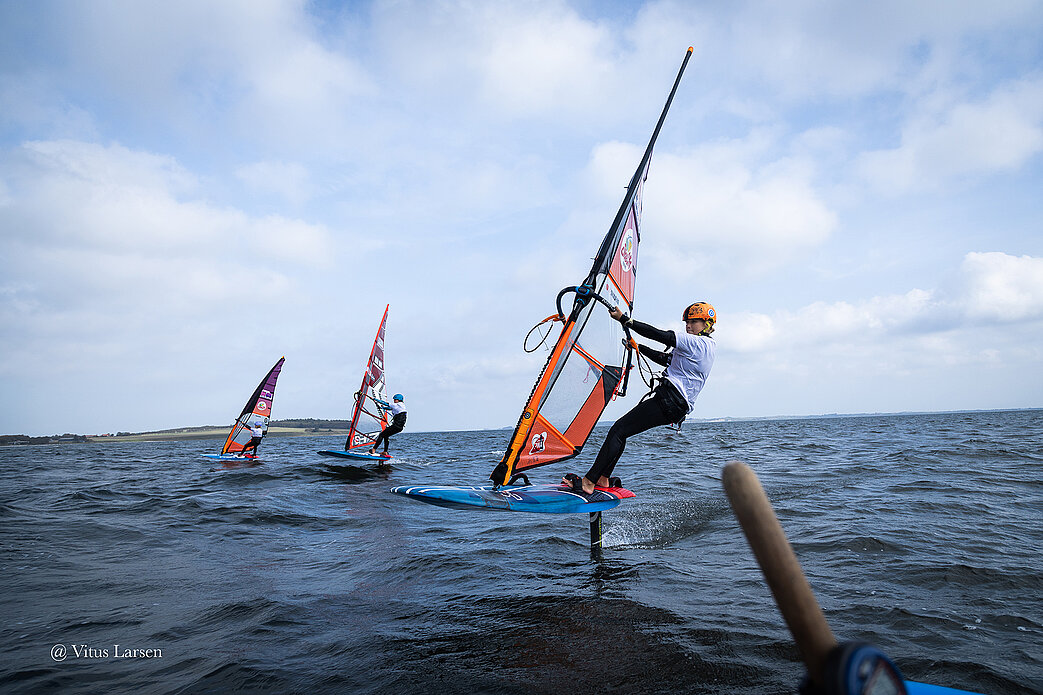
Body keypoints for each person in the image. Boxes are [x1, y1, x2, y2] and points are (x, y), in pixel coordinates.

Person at [563, 302, 717, 494]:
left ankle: (588, 482)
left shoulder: (697, 342)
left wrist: (625, 320)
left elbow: (661, 335)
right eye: (687, 322)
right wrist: (639, 347)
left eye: (694, 322)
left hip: (669, 400)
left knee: (617, 431)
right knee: (622, 432)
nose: (688, 325)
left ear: (707, 323)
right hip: (675, 405)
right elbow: (665, 359)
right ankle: (603, 478)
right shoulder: (705, 347)